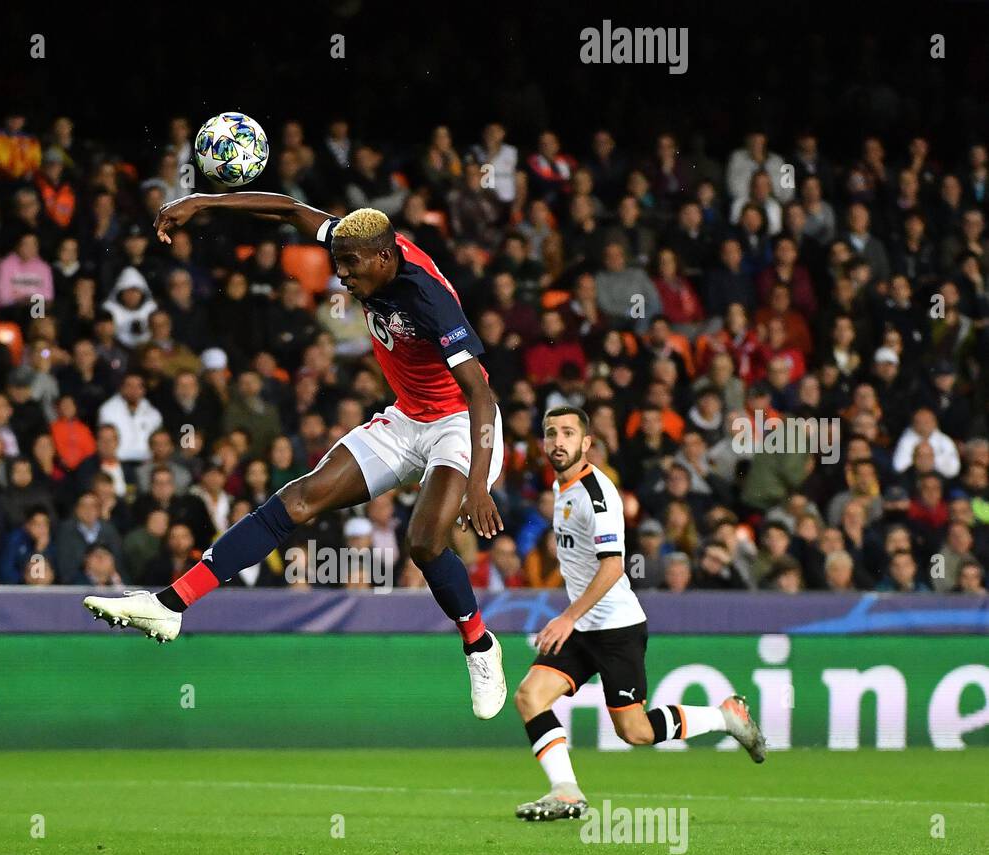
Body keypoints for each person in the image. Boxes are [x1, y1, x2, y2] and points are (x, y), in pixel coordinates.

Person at [85, 190, 508, 719]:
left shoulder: (428, 297)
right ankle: (170, 604)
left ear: (383, 257)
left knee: (423, 541)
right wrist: (202, 201)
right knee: (300, 500)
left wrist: (476, 484)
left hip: (460, 424)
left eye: (349, 268)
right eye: (337, 266)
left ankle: (479, 644)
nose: (341, 279)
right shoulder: (360, 240)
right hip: (406, 416)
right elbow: (288, 208)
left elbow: (481, 394)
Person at [511, 406, 767, 821]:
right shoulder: (561, 489)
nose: (559, 442)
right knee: (529, 696)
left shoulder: (598, 494)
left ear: (586, 443)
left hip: (615, 628)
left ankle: (725, 716)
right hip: (583, 625)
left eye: (568, 434)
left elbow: (613, 566)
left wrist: (568, 617)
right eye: (552, 433)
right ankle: (566, 792)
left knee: (636, 732)